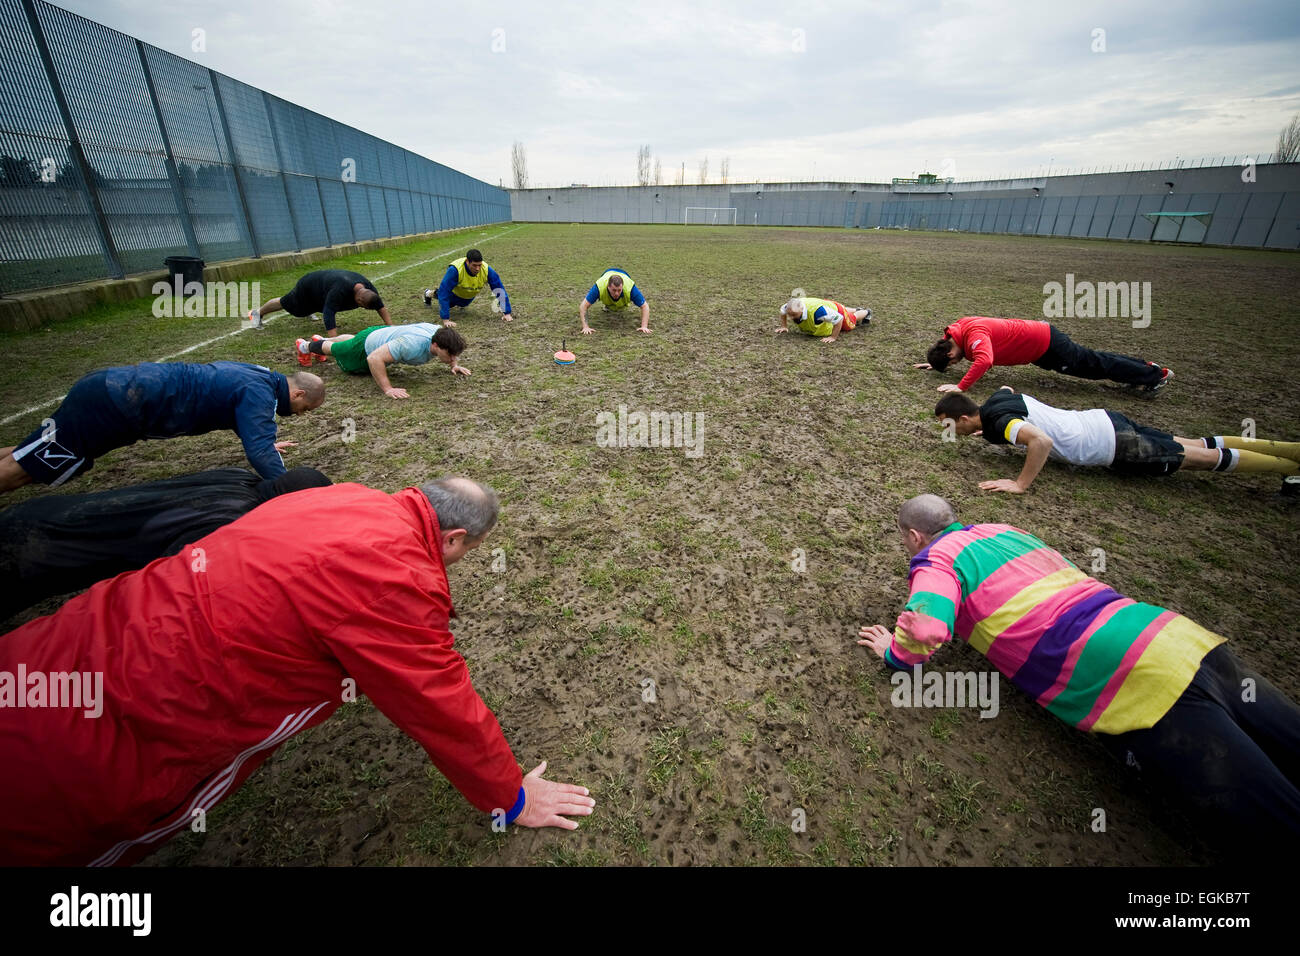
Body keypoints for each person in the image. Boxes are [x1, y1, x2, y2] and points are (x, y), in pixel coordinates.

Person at [0, 476, 596, 865]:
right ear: (455, 536)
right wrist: (510, 797)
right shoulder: (396, 580)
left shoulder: (338, 496)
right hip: (105, 742)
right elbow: (442, 704)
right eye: (470, 551)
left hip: (56, 647)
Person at [857, 494, 1300, 850]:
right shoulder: (1004, 531)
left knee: (1275, 822)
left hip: (1135, 679)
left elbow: (930, 628)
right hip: (1176, 636)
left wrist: (894, 654)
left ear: (914, 536)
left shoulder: (935, 560)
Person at [0, 466, 331, 622]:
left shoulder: (238, 477)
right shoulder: (227, 524)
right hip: (31, 556)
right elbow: (167, 587)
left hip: (41, 514)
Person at [0, 362, 325, 494]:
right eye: (303, 409)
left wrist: (265, 445)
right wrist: (289, 489)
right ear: (296, 393)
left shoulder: (259, 376)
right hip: (115, 402)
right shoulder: (262, 395)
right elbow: (259, 452)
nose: (298, 415)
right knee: (27, 469)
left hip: (111, 390)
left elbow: (235, 410)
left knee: (28, 454)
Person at [934, 388, 1299, 493]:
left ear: (965, 418)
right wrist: (994, 427)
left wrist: (1019, 483)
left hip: (1113, 446)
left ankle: (1286, 468)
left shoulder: (1002, 422)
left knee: (1199, 460)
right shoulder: (997, 403)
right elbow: (1008, 390)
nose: (952, 432)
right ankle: (1291, 451)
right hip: (1104, 419)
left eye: (951, 426)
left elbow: (1040, 442)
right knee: (1198, 442)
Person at [914, 316, 1172, 393]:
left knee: (1092, 365)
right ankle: (1145, 368)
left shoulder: (973, 335)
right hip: (1040, 346)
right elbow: (945, 345)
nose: (959, 362)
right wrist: (933, 362)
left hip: (1047, 345)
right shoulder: (957, 333)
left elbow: (985, 360)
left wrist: (961, 386)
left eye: (953, 363)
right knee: (1093, 362)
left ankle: (1153, 375)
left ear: (950, 355)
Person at [298, 322, 469, 399]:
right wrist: (388, 389)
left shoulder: (440, 334)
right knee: (335, 350)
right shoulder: (412, 345)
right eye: (451, 355)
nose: (454, 358)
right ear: (436, 345)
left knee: (351, 341)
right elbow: (374, 358)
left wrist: (454, 365)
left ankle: (320, 340)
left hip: (380, 334)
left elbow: (451, 348)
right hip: (367, 347)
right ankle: (305, 346)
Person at [249, 269, 391, 333]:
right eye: (363, 307)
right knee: (289, 304)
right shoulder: (340, 290)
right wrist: (333, 341)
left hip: (323, 288)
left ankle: (309, 311)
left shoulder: (368, 290)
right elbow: (328, 314)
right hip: (309, 286)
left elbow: (380, 307)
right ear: (359, 300)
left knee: (312, 308)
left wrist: (390, 327)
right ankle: (257, 313)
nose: (363, 309)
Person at [427, 249, 512, 322]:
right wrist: (445, 319)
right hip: (453, 294)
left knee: (463, 304)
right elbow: (444, 291)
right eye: (474, 265)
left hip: (467, 297)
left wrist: (507, 313)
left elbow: (499, 289)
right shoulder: (455, 270)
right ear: (467, 261)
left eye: (479, 265)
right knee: (445, 300)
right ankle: (428, 293)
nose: (477, 269)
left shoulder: (487, 270)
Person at [579, 268, 650, 334]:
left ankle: (618, 303)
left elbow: (645, 306)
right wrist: (585, 327)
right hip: (607, 273)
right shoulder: (599, 287)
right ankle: (608, 305)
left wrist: (644, 326)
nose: (617, 293)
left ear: (622, 287)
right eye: (614, 290)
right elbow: (583, 306)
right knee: (609, 300)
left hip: (625, 275)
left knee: (621, 305)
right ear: (608, 286)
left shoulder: (630, 288)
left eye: (619, 290)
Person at [776, 295, 872, 343]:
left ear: (801, 309)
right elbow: (782, 312)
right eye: (790, 315)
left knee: (851, 321)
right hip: (827, 306)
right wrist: (784, 326)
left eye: (794, 315)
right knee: (833, 312)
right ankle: (855, 309)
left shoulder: (818, 312)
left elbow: (839, 319)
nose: (791, 317)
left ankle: (866, 312)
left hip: (835, 310)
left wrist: (833, 337)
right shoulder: (789, 307)